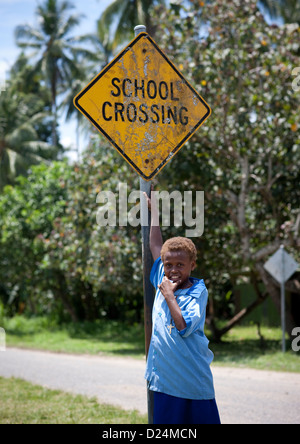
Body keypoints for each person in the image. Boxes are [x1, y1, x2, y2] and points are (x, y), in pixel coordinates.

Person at [143, 186, 221, 425]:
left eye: (180, 265)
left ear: (192, 266)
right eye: (169, 264)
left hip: (192, 382)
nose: (173, 270)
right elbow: (156, 245)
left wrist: (168, 295)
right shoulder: (162, 278)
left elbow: (184, 326)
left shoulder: (197, 290)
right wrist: (154, 212)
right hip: (165, 380)